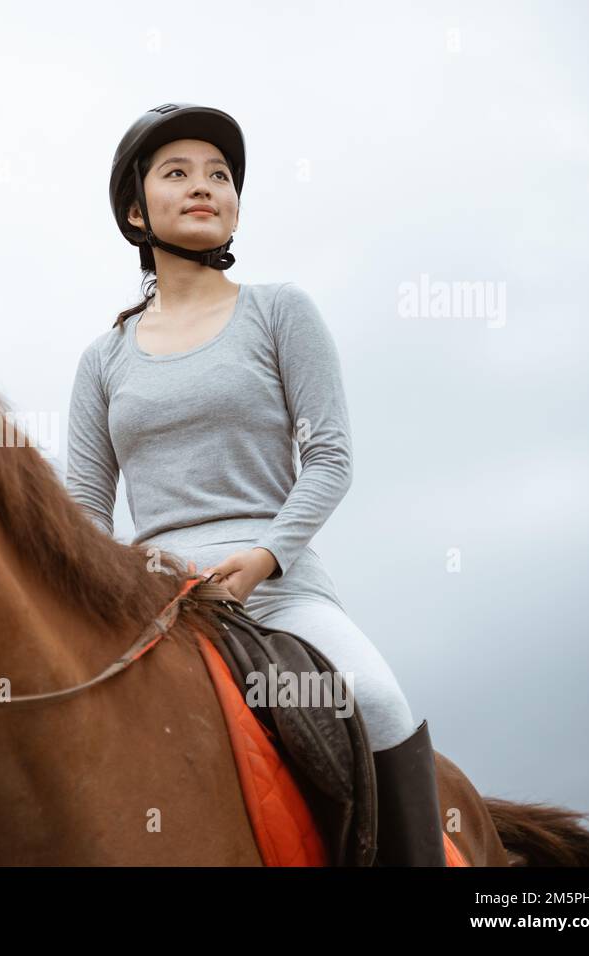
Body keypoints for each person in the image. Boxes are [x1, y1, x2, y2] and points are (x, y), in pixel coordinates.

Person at [64, 103, 446, 866]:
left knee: (377, 701)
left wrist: (266, 558)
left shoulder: (279, 312)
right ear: (137, 211)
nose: (205, 186)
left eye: (220, 175)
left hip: (278, 586)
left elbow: (330, 459)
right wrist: (117, 583)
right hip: (154, 596)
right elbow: (83, 509)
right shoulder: (103, 359)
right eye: (177, 174)